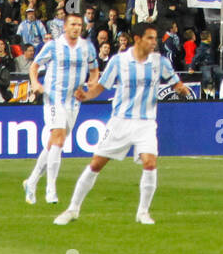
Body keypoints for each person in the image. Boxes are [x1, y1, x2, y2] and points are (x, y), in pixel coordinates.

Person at [53, 22, 193, 225]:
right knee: (96, 164)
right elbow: (101, 86)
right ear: (137, 39)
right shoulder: (119, 61)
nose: (154, 42)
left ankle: (143, 212)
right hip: (120, 121)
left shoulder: (159, 62)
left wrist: (181, 88)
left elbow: (175, 82)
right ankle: (73, 209)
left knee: (150, 162)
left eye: (155, 38)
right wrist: (86, 95)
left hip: (146, 122)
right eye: (150, 38)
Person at [23, 11, 99, 205]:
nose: (76, 28)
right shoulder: (54, 46)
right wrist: (35, 83)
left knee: (53, 144)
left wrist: (92, 83)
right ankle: (51, 189)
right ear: (64, 27)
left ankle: (31, 182)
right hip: (53, 96)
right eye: (72, 24)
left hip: (74, 100)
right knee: (58, 138)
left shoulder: (87, 47)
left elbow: (94, 69)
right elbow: (34, 66)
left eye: (79, 25)